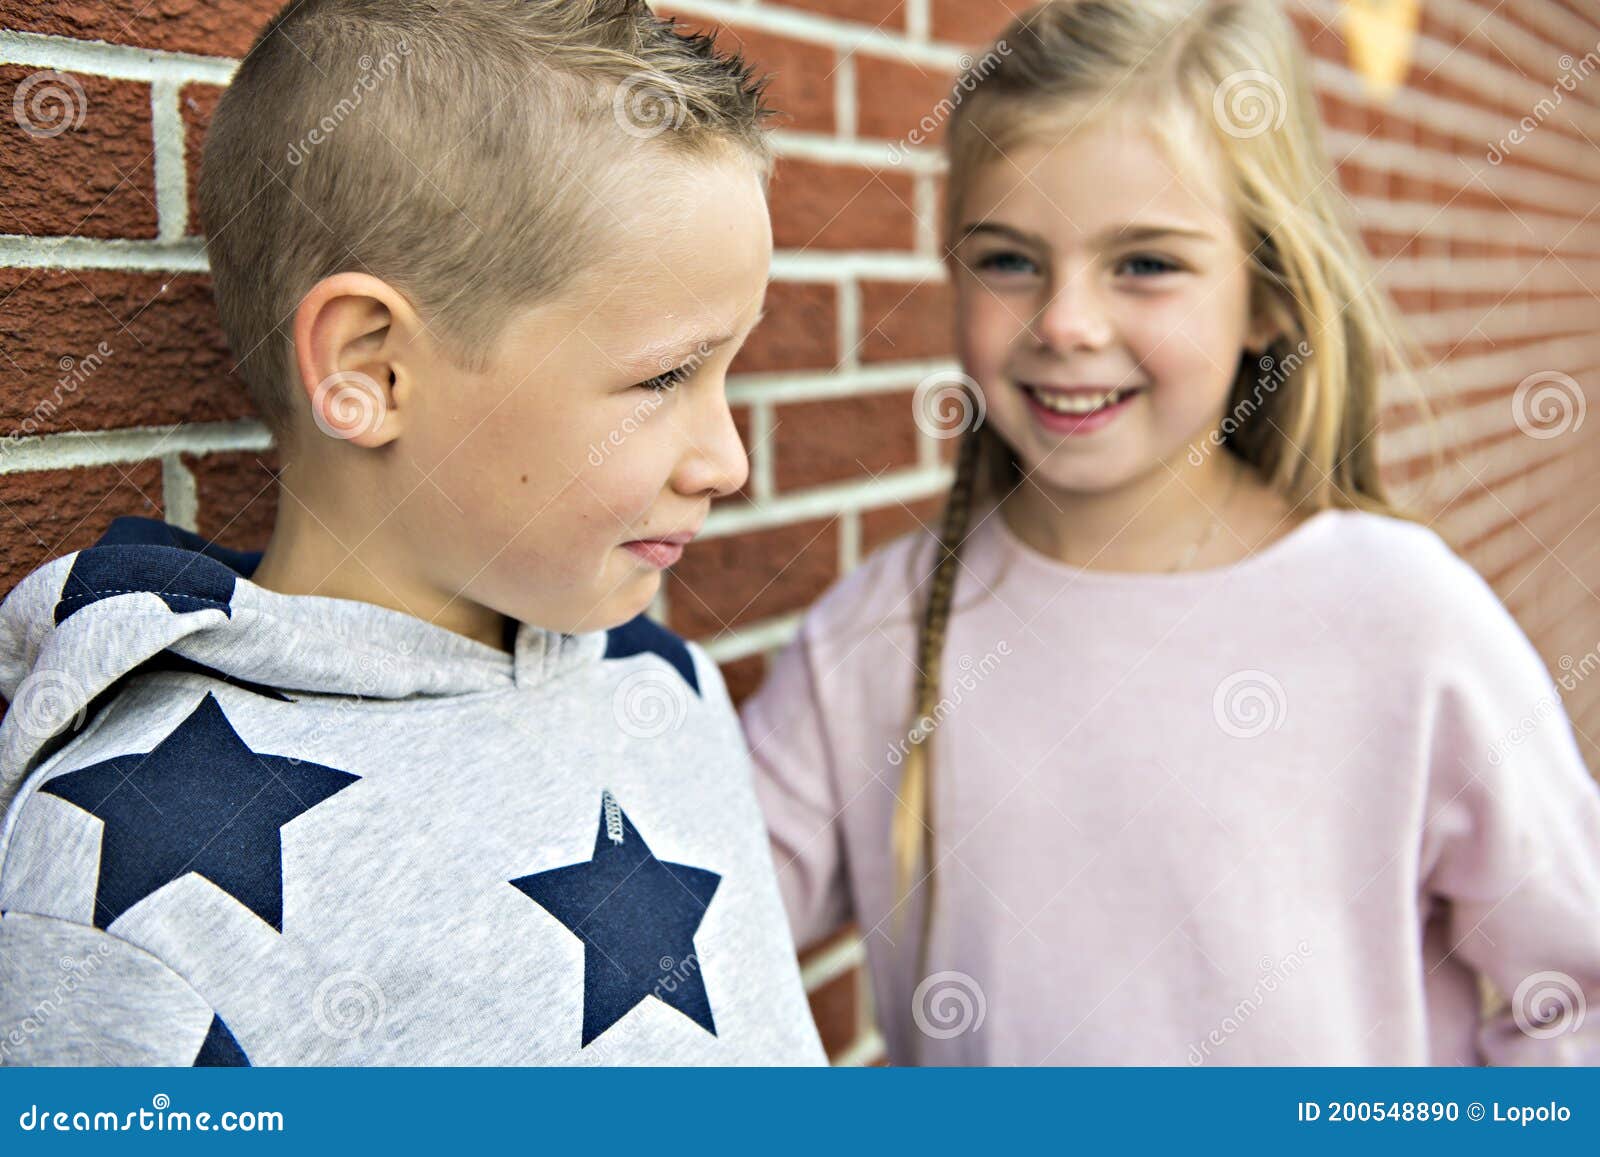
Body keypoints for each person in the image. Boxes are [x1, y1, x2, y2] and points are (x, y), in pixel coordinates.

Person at [741, 0, 1600, 1065]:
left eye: (1144, 263)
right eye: (1007, 259)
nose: (1064, 322)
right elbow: (690, 939)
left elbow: (1574, 994)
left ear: (1268, 298)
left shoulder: (1404, 615)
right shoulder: (869, 636)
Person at [0, 0, 823, 1066]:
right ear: (370, 368)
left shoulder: (666, 684)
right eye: (664, 375)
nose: (728, 461)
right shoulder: (121, 864)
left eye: (725, 369)